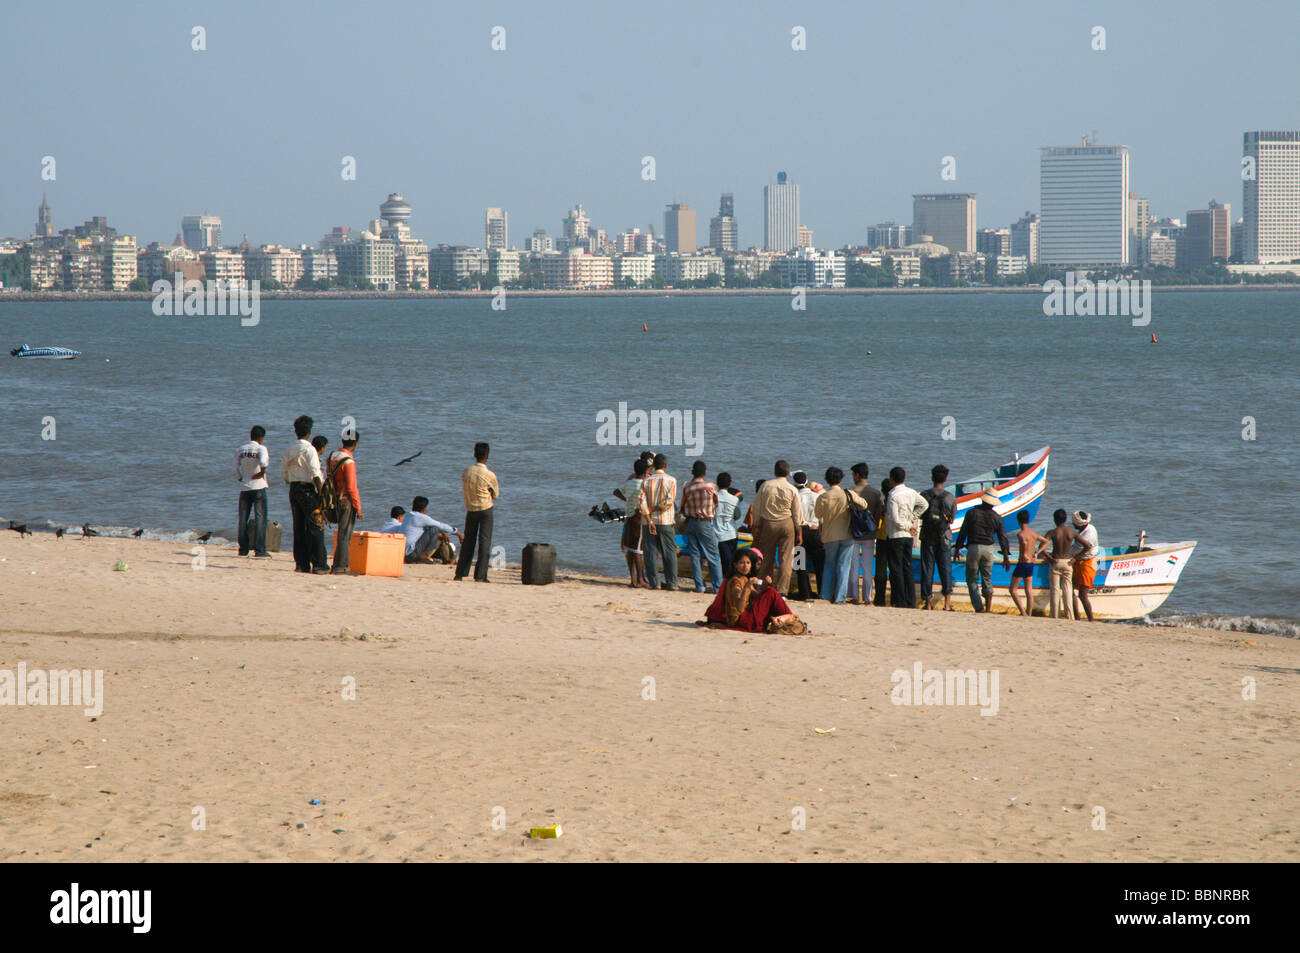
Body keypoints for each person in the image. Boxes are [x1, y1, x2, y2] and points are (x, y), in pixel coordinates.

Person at [696, 548, 809, 635]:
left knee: (770, 591)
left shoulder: (744, 578)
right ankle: (791, 621)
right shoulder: (735, 582)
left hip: (745, 617)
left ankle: (788, 620)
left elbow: (757, 596)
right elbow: (739, 608)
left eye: (748, 563)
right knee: (771, 592)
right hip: (741, 620)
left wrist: (766, 585)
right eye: (741, 563)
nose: (745, 566)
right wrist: (746, 588)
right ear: (735, 565)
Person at [281, 415, 329, 574]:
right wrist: (321, 494)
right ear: (309, 432)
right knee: (316, 526)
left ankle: (301, 564)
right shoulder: (310, 450)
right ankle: (319, 564)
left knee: (299, 527)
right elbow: (316, 474)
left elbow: (285, 475)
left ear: (295, 431)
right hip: (307, 490)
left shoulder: (289, 450)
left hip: (294, 489)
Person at [814, 467, 866, 604]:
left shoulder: (823, 497)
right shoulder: (848, 494)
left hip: (830, 535)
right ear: (841, 480)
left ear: (827, 480)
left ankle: (825, 595)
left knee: (829, 565)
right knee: (844, 566)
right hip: (847, 534)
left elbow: (817, 514)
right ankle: (840, 598)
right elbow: (864, 505)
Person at [953, 491, 1011, 613]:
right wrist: (1006, 557)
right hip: (988, 550)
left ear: (983, 500)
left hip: (973, 548)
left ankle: (979, 608)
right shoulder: (997, 517)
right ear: (993, 503)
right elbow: (1003, 537)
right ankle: (988, 608)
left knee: (971, 579)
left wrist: (957, 549)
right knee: (987, 578)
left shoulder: (971, 513)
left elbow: (963, 532)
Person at [883, 467, 928, 609]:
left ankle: (899, 600)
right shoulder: (911, 492)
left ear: (892, 479)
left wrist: (907, 525)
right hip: (908, 536)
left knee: (896, 568)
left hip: (896, 535)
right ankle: (910, 600)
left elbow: (895, 519)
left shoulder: (892, 495)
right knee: (907, 568)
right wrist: (913, 518)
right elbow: (924, 504)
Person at [456, 442, 499, 582]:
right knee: (484, 542)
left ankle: (460, 573)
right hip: (486, 509)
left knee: (468, 541)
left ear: (474, 454)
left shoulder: (466, 471)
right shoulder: (490, 474)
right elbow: (495, 494)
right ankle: (480, 576)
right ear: (487, 456)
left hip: (471, 509)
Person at [679, 460, 723, 594]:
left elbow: (682, 508)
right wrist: (709, 509)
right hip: (705, 522)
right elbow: (716, 503)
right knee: (713, 555)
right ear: (704, 473)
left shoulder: (687, 487)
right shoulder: (710, 486)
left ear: (692, 472)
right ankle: (717, 587)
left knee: (695, 555)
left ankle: (700, 586)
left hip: (691, 522)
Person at [918, 465, 957, 611]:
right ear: (945, 479)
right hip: (944, 536)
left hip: (927, 536)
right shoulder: (950, 497)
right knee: (945, 569)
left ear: (932, 478)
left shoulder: (924, 495)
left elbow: (920, 514)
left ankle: (928, 604)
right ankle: (946, 604)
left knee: (927, 569)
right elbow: (952, 519)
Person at [639, 453, 679, 591]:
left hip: (648, 522)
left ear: (654, 465)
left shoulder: (646, 481)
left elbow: (642, 504)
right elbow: (669, 502)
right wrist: (655, 508)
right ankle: (672, 583)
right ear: (665, 466)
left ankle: (655, 582)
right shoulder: (671, 480)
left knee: (650, 553)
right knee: (669, 553)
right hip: (666, 520)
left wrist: (650, 519)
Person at [325, 431, 362, 574]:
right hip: (346, 500)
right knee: (345, 534)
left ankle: (338, 565)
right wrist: (358, 507)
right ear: (355, 444)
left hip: (333, 499)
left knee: (341, 533)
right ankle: (342, 566)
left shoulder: (332, 457)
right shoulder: (348, 461)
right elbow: (352, 487)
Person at [845, 463, 882, 606]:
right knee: (867, 567)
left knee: (853, 567)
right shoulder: (876, 493)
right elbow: (879, 513)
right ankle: (868, 598)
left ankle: (854, 596)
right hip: (869, 534)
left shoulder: (850, 492)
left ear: (857, 475)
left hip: (853, 533)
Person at [235, 425, 271, 559]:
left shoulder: (241, 449)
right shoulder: (261, 448)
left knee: (242, 519)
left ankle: (243, 549)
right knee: (260, 519)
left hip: (245, 487)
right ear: (261, 437)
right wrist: (262, 472)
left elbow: (234, 468)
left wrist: (240, 478)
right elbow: (263, 462)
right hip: (258, 486)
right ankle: (260, 549)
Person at [1008, 510, 1051, 617]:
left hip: (1022, 563)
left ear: (1018, 521)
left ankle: (1023, 613)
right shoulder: (1033, 534)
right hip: (1030, 564)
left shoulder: (1020, 534)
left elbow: (1023, 545)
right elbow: (1046, 541)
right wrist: (1037, 553)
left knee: (1013, 589)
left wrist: (1023, 555)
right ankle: (1029, 613)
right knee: (1028, 591)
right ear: (1028, 520)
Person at [792, 471, 825, 601]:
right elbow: (822, 518)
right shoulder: (817, 496)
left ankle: (805, 593)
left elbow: (796, 518)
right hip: (816, 532)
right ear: (807, 481)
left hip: (800, 532)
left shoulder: (796, 497)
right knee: (820, 565)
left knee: (801, 565)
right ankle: (822, 592)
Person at [402, 496, 464, 564]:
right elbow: (441, 526)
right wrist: (459, 534)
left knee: (438, 534)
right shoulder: (421, 517)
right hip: (412, 553)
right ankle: (424, 557)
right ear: (424, 509)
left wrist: (441, 534)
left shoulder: (408, 516)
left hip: (403, 553)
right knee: (434, 529)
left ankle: (448, 559)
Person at [619, 458, 650, 589]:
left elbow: (616, 491)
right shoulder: (644, 485)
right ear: (646, 471)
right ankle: (641, 579)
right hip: (639, 518)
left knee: (629, 548)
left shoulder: (629, 483)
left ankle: (633, 579)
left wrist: (627, 500)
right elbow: (643, 504)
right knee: (638, 550)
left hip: (629, 517)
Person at [1042, 509, 1079, 620]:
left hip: (1056, 562)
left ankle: (1055, 616)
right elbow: (1087, 546)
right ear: (1065, 519)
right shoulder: (1071, 532)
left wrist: (1050, 558)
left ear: (1055, 519)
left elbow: (1041, 548)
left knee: (1055, 590)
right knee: (1068, 590)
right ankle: (1069, 617)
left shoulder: (1052, 533)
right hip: (1068, 562)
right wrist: (1075, 559)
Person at [1070, 510, 1100, 622]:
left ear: (1079, 524)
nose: (1072, 524)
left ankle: (1090, 619)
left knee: (1082, 595)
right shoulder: (1091, 527)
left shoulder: (1086, 537)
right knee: (1072, 591)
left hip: (1087, 564)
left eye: (1074, 523)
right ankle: (1077, 617)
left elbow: (1073, 551)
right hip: (1082, 562)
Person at [713, 472, 743, 579]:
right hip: (732, 534)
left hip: (717, 534)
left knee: (721, 562)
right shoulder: (734, 500)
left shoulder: (713, 498)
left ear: (717, 483)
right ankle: (729, 581)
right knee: (731, 562)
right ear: (729, 484)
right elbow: (737, 515)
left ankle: (723, 582)